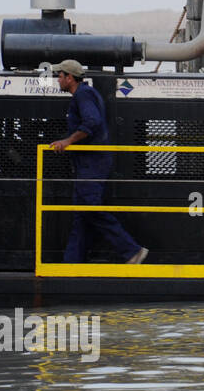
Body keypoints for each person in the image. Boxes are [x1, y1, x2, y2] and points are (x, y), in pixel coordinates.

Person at [49, 59, 148, 265]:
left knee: (90, 208)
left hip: (92, 162)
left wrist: (67, 141)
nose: (57, 79)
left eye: (60, 75)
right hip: (88, 163)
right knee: (81, 214)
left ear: (69, 77)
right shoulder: (86, 94)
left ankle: (132, 250)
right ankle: (71, 264)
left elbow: (92, 121)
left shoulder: (83, 95)